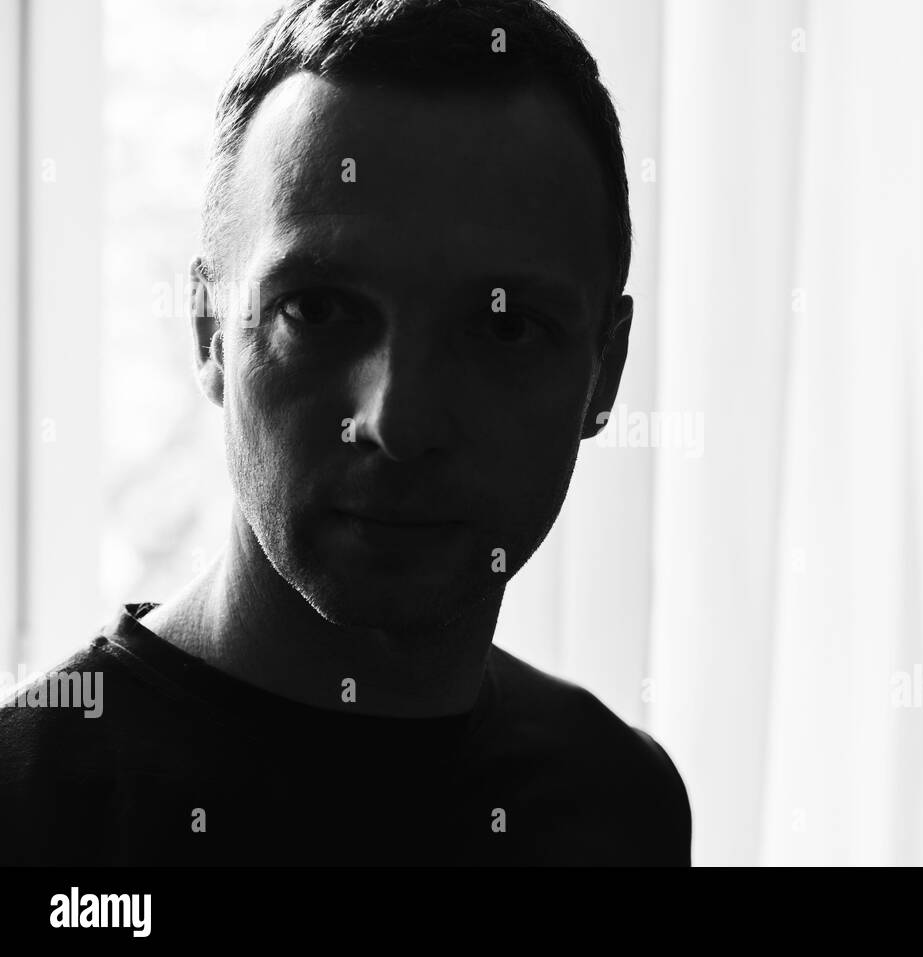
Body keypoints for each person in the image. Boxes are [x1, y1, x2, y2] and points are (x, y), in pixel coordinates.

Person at [0, 0, 690, 866]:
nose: (398, 422)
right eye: (317, 310)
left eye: (504, 327)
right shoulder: (25, 810)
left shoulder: (617, 802)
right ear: (209, 330)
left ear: (607, 370)